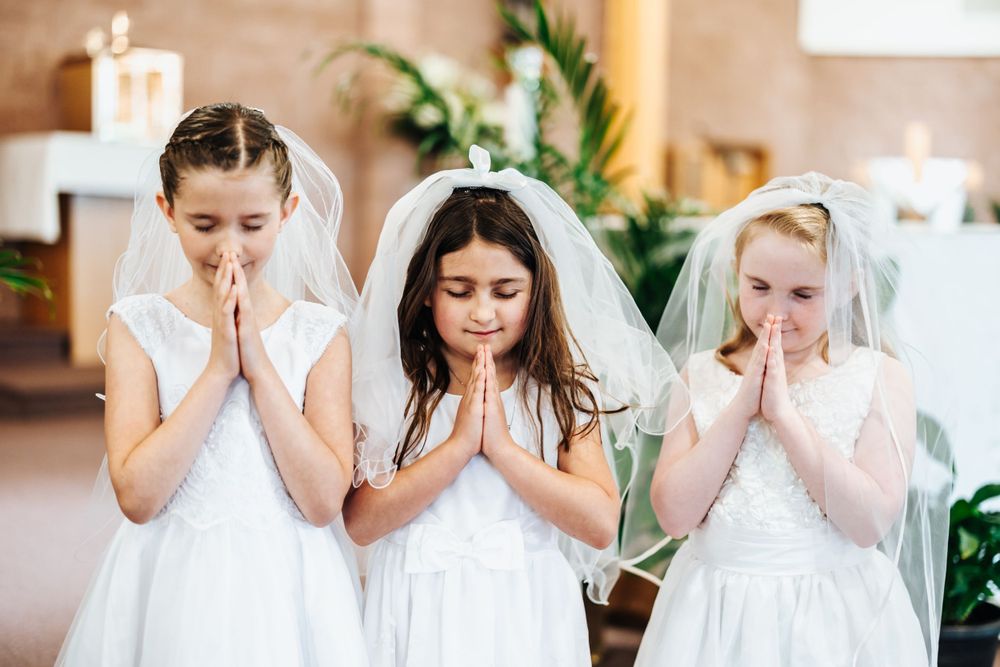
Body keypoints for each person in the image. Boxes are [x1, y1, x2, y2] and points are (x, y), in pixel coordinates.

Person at [56, 103, 368, 666]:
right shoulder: (138, 324)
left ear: (287, 213)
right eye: (205, 225)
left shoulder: (319, 335)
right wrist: (220, 368)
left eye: (252, 225)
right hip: (169, 574)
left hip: (288, 580)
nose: (230, 248)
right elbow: (137, 497)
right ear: (168, 211)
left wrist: (259, 365)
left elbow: (324, 502)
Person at [347, 146, 683, 666]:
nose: (483, 311)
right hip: (414, 605)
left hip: (526, 608)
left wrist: (502, 449)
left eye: (506, 291)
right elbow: (362, 521)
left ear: (537, 290)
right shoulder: (393, 381)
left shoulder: (559, 388)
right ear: (427, 292)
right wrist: (459, 446)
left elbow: (597, 521)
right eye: (459, 290)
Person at [626, 172, 949, 666]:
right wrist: (740, 409)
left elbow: (868, 524)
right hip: (715, 609)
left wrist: (783, 416)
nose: (777, 310)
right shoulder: (700, 374)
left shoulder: (878, 376)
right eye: (759, 286)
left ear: (848, 286)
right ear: (736, 273)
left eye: (804, 293)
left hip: (833, 612)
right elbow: (673, 515)